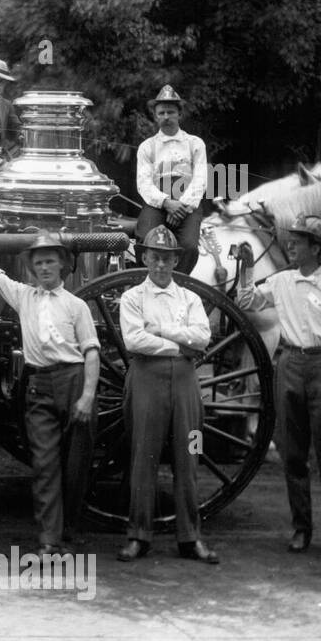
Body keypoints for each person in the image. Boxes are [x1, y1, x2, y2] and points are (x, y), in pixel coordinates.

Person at [0, 231, 100, 554]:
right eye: (38, 262)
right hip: (39, 385)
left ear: (62, 265)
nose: (44, 268)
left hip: (75, 380)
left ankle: (68, 527)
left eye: (50, 261)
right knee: (44, 463)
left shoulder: (77, 306)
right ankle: (49, 540)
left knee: (77, 463)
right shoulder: (23, 296)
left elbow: (92, 353)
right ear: (31, 268)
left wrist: (87, 396)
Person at [235, 214, 321, 560]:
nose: (290, 243)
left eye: (298, 240)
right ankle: (302, 528)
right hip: (289, 364)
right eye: (291, 239)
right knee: (293, 453)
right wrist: (245, 267)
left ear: (316, 248)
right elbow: (247, 302)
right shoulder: (281, 281)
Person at [117, 225, 217, 565]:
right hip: (146, 380)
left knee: (190, 456)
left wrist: (162, 331)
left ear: (176, 261)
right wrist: (179, 345)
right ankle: (138, 536)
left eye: (167, 259)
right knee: (143, 458)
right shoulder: (132, 298)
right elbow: (134, 341)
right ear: (144, 257)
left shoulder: (191, 298)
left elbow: (202, 337)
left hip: (187, 386)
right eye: (155, 257)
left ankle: (191, 537)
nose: (161, 265)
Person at [135, 85, 207, 275]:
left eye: (171, 112)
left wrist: (181, 206)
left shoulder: (195, 143)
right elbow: (143, 183)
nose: (166, 117)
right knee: (144, 239)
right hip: (158, 200)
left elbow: (200, 178)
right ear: (155, 116)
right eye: (161, 113)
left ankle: (178, 283)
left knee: (189, 246)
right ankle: (146, 283)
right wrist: (167, 203)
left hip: (187, 202)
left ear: (179, 114)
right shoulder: (147, 147)